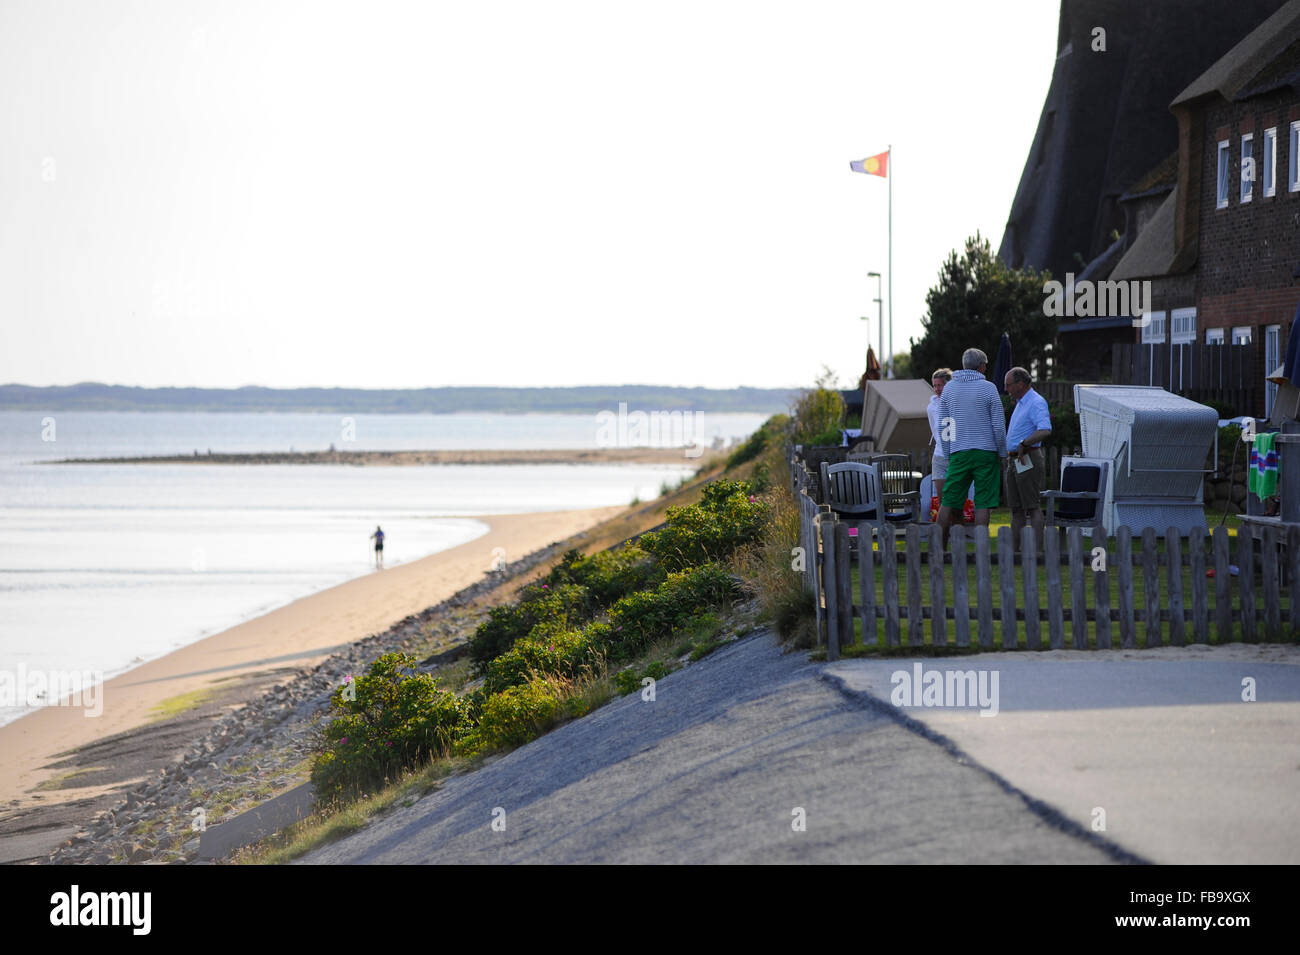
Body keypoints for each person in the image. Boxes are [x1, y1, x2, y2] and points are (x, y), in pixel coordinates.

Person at [937, 348, 1008, 543]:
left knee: (948, 501)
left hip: (959, 451)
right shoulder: (989, 387)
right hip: (986, 452)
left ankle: (939, 548)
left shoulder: (949, 389)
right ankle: (981, 550)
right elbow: (998, 425)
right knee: (983, 502)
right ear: (981, 365)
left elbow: (943, 423)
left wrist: (948, 452)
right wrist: (1002, 452)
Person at [1003, 366, 1052, 554]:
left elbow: (1045, 429)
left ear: (1020, 384)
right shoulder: (1021, 402)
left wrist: (1024, 443)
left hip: (1028, 458)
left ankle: (1038, 552)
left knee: (1032, 506)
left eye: (1008, 385)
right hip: (1015, 460)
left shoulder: (1036, 402)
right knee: (1016, 509)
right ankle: (1015, 552)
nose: (1006, 388)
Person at [927, 368, 953, 506]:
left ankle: (958, 525)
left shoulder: (956, 403)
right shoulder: (931, 408)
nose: (937, 389)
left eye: (940, 385)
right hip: (939, 455)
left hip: (955, 455)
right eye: (935, 385)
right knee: (942, 498)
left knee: (956, 496)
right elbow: (935, 431)